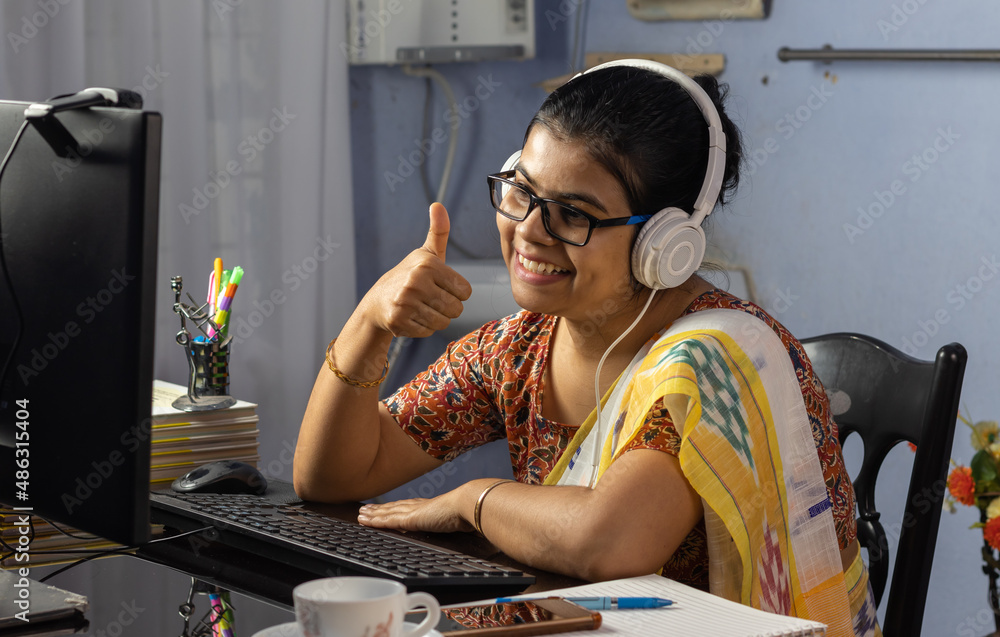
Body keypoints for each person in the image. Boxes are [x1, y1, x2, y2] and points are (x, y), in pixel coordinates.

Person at [295, 60, 880, 636]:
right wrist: (369, 322)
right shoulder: (518, 348)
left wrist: (475, 499)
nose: (529, 229)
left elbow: (610, 544)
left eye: (572, 214)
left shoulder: (715, 363)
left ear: (664, 241)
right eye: (522, 191)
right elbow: (334, 477)